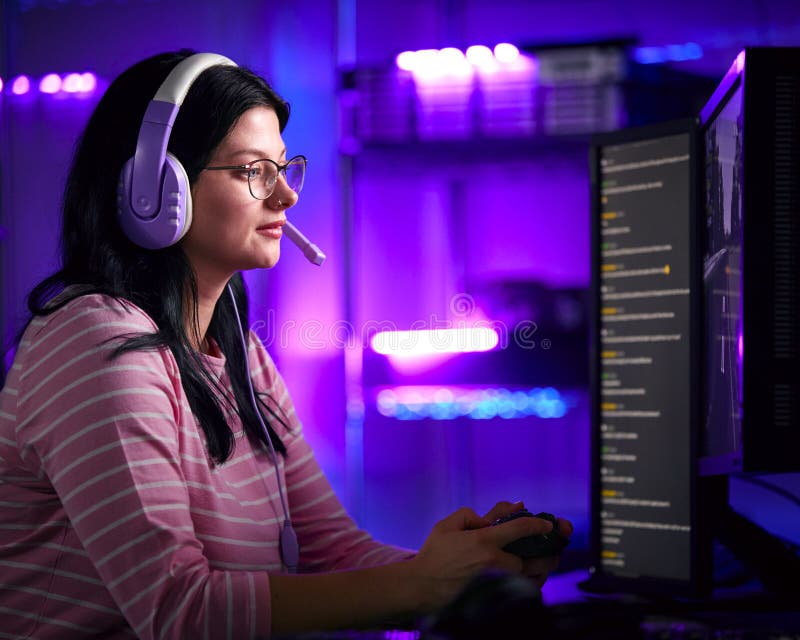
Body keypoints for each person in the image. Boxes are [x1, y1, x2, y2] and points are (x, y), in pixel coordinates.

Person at [0, 49, 573, 639]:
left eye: (283, 168)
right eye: (254, 172)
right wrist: (421, 585)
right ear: (155, 188)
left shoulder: (237, 351)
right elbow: (180, 612)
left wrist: (468, 575)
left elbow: (329, 551)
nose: (286, 197)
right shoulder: (95, 342)